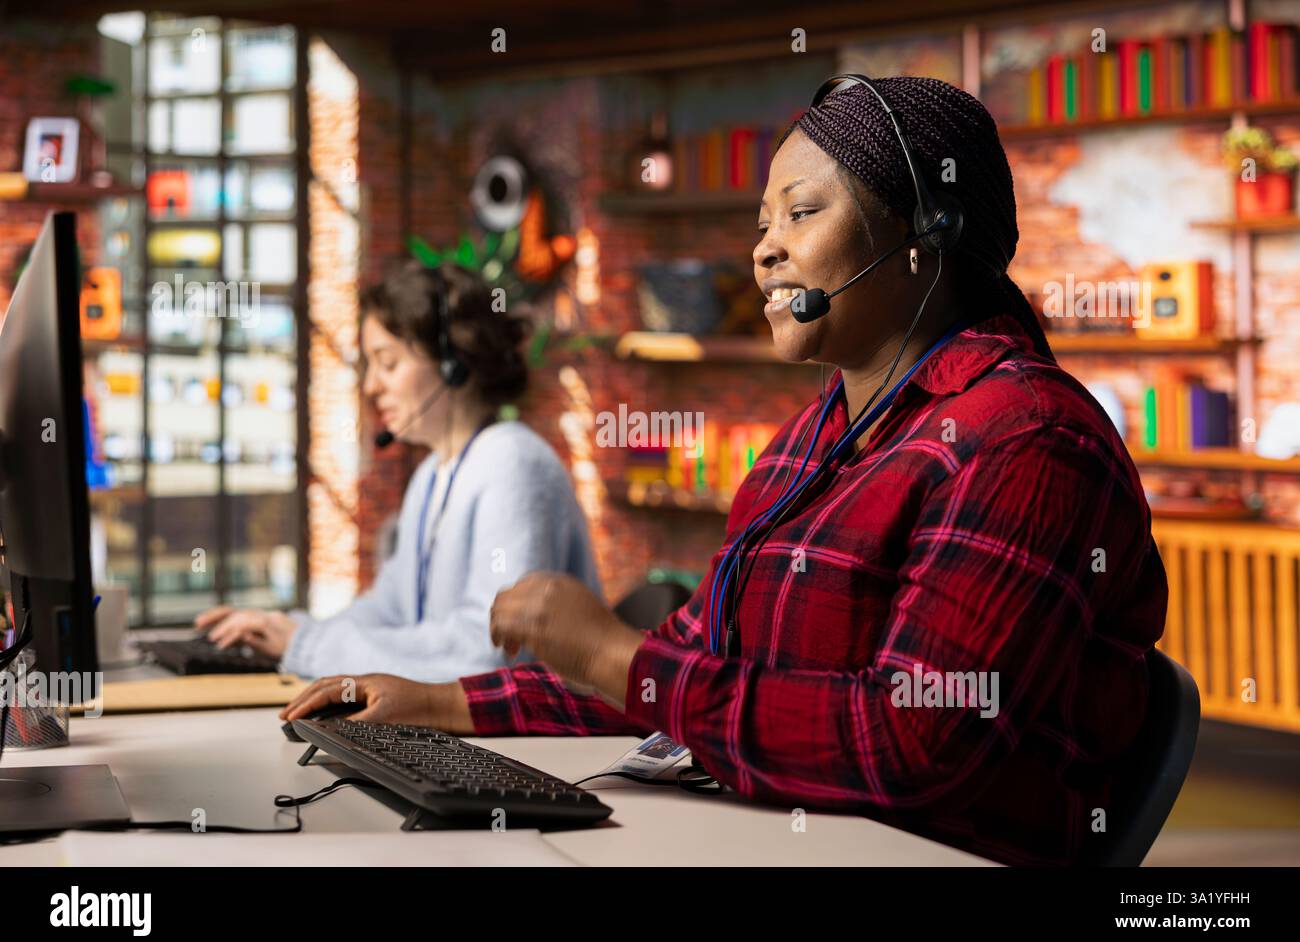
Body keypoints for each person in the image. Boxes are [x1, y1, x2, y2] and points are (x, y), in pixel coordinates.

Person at [282, 76, 1168, 866]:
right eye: (762, 225)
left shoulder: (1026, 440)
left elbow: (911, 744)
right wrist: (438, 707)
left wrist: (610, 652)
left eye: (802, 213)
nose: (765, 251)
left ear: (924, 232)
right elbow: (691, 665)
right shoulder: (804, 445)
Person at [199, 261, 602, 682]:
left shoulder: (513, 464)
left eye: (388, 363)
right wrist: (289, 630)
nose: (371, 386)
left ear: (454, 364)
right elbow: (390, 611)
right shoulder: (433, 474)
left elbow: (491, 653)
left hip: (538, 745)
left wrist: (308, 647)